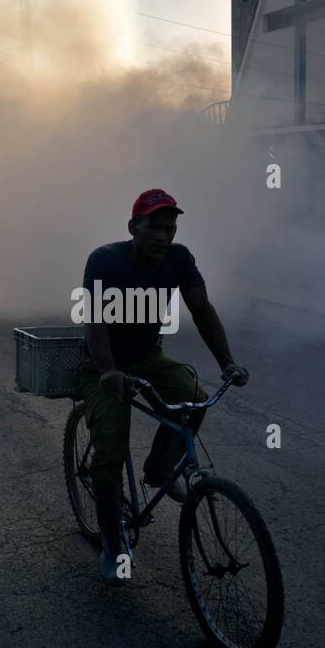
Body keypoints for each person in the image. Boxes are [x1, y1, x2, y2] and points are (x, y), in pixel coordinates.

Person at [78, 188, 249, 584]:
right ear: (133, 228)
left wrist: (227, 362)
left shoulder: (180, 259)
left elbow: (201, 309)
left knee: (195, 400)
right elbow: (95, 320)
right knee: (110, 446)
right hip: (103, 365)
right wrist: (108, 371)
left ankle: (159, 470)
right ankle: (112, 544)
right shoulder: (105, 260)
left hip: (148, 357)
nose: (162, 236)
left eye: (169, 228)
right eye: (153, 227)